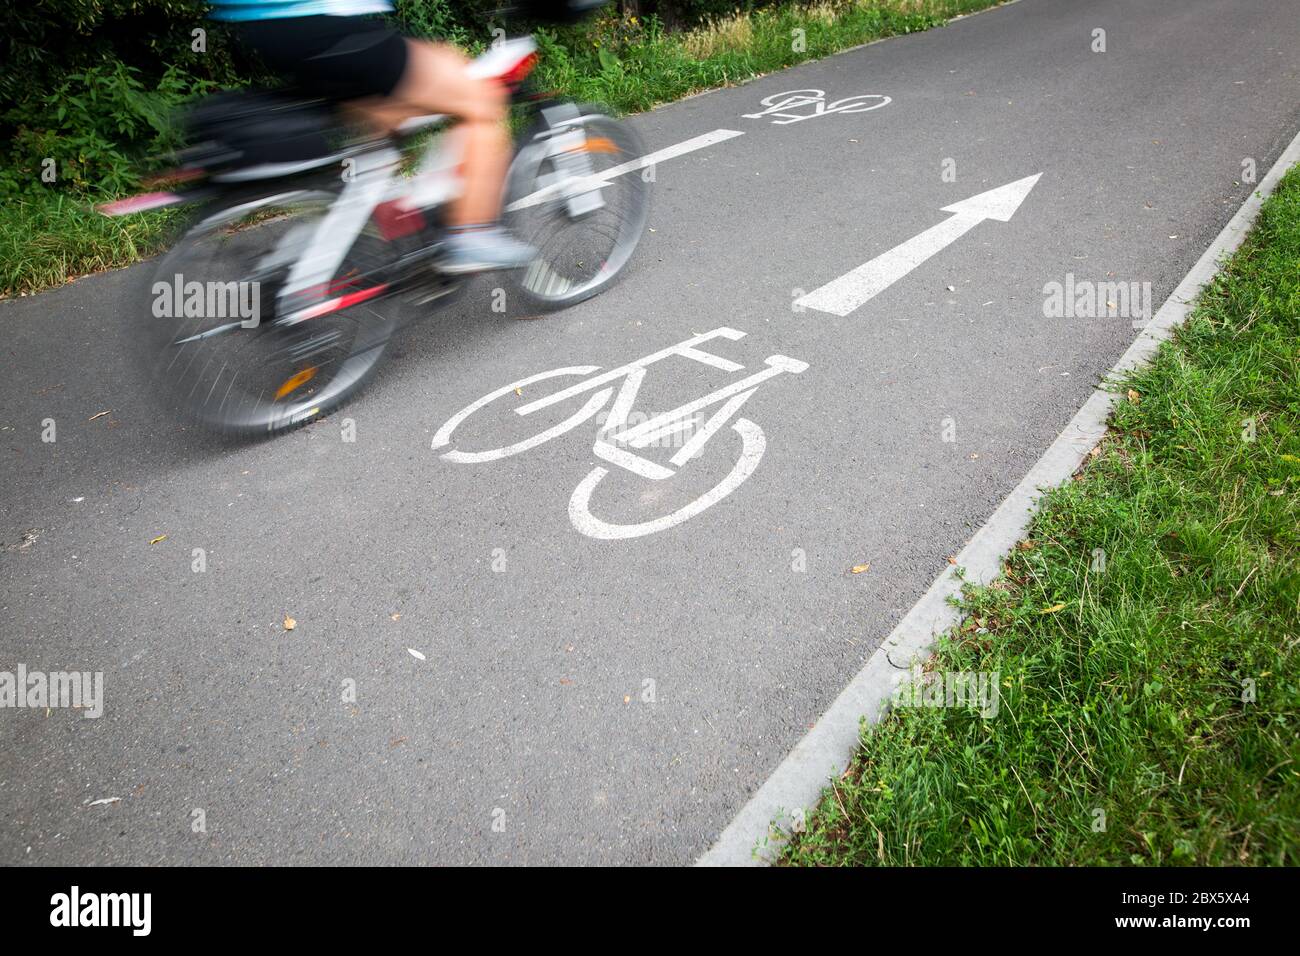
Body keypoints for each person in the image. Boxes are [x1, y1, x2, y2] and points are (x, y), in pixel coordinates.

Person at [209, 0, 536, 274]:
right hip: (324, 27)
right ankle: (470, 234)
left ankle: (389, 222)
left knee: (404, 97)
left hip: (265, 30)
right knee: (479, 98)